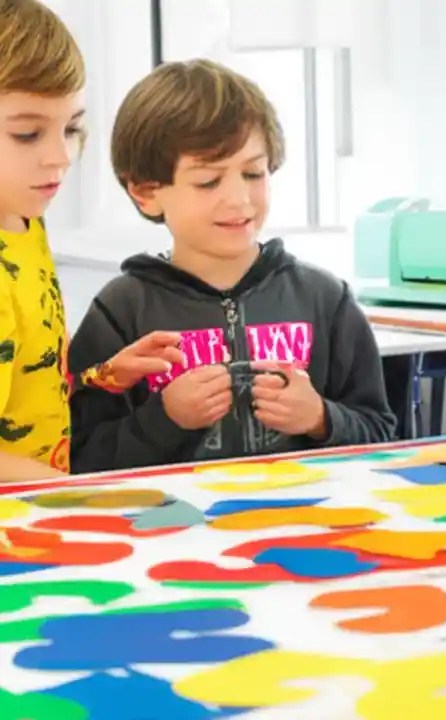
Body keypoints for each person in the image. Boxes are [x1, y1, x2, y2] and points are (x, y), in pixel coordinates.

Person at [68, 59, 396, 472]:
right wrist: (163, 421)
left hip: (307, 523)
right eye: (208, 181)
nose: (240, 199)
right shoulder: (121, 311)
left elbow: (384, 436)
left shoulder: (325, 299)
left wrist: (321, 418)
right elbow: (78, 459)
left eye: (254, 173)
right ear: (146, 192)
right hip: (168, 530)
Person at [0, 0, 182, 480]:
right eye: (26, 134)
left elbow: (30, 389)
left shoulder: (24, 220)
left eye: (72, 128)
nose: (60, 156)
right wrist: (79, 494)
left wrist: (100, 376)